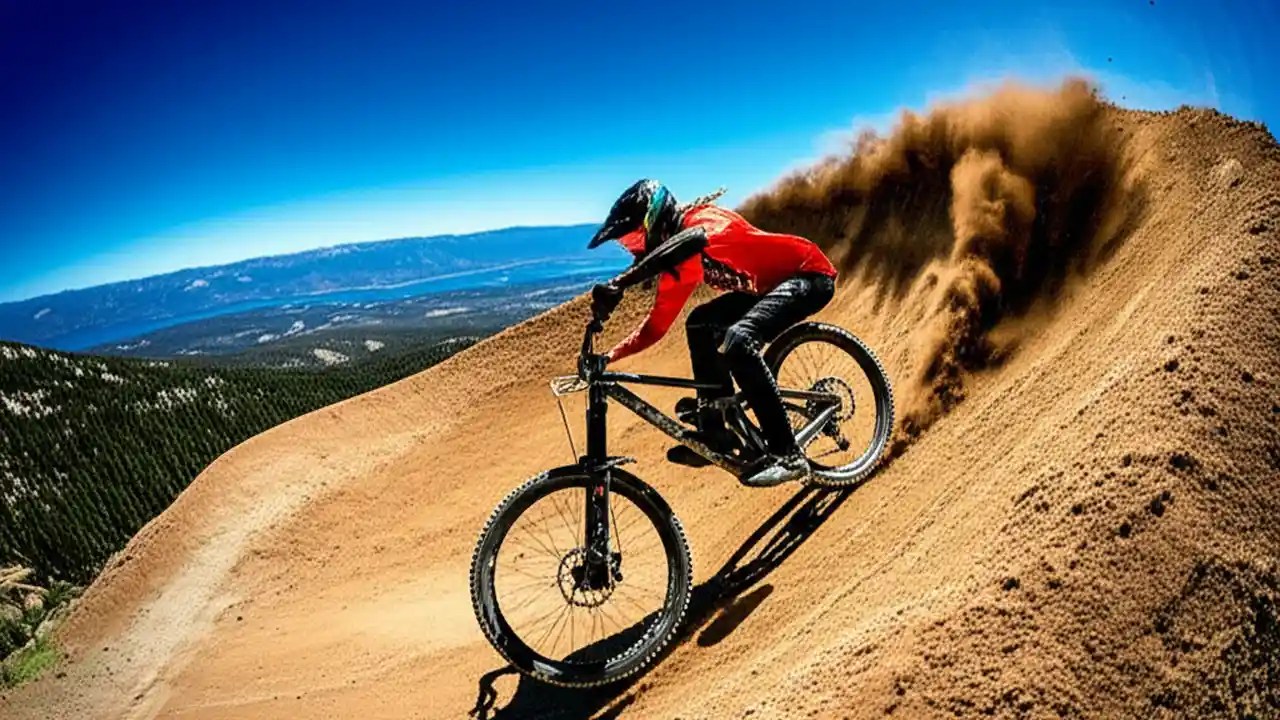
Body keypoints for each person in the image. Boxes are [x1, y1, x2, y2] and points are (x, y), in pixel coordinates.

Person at [587, 179, 837, 487]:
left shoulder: (702, 219)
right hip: (769, 289)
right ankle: (716, 432)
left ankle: (789, 454)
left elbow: (694, 239)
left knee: (739, 340)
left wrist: (622, 282)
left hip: (808, 275)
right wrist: (608, 356)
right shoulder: (683, 267)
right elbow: (655, 327)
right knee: (700, 323)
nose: (633, 249)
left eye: (634, 239)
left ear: (655, 221)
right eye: (627, 245)